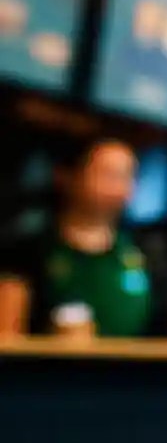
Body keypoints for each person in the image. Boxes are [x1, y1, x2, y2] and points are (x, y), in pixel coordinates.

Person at [0, 140, 152, 339]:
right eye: (107, 174)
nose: (119, 187)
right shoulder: (27, 251)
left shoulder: (142, 250)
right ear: (69, 177)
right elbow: (7, 339)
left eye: (127, 176)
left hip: (137, 370)